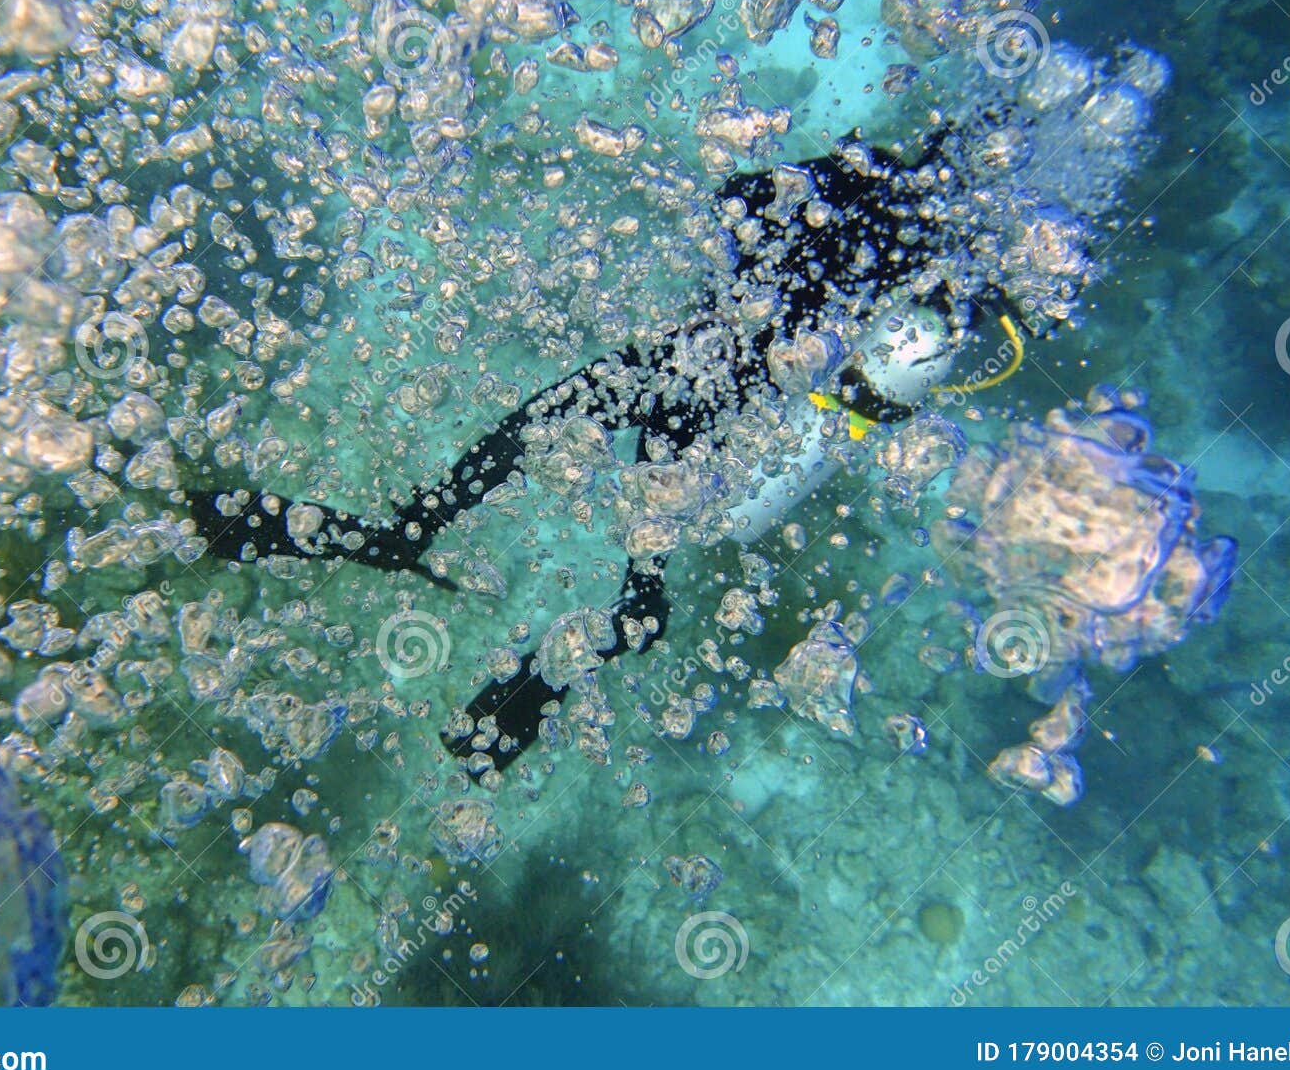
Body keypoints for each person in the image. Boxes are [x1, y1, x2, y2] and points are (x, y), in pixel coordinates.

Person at [188, 128, 1026, 770]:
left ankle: (404, 553)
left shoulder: (875, 186)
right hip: (719, 410)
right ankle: (513, 667)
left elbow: (736, 202)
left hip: (690, 373)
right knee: (627, 564)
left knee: (524, 444)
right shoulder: (942, 297)